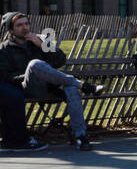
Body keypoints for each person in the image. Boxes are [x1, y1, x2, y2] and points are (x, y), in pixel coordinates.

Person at [0, 12, 103, 152]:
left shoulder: (38, 41)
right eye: (19, 25)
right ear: (11, 30)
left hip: (50, 87)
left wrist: (42, 45)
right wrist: (28, 75)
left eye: (26, 24)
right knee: (35, 64)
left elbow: (60, 60)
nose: (25, 28)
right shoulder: (5, 49)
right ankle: (83, 85)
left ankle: (81, 137)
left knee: (71, 89)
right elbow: (5, 77)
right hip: (26, 88)